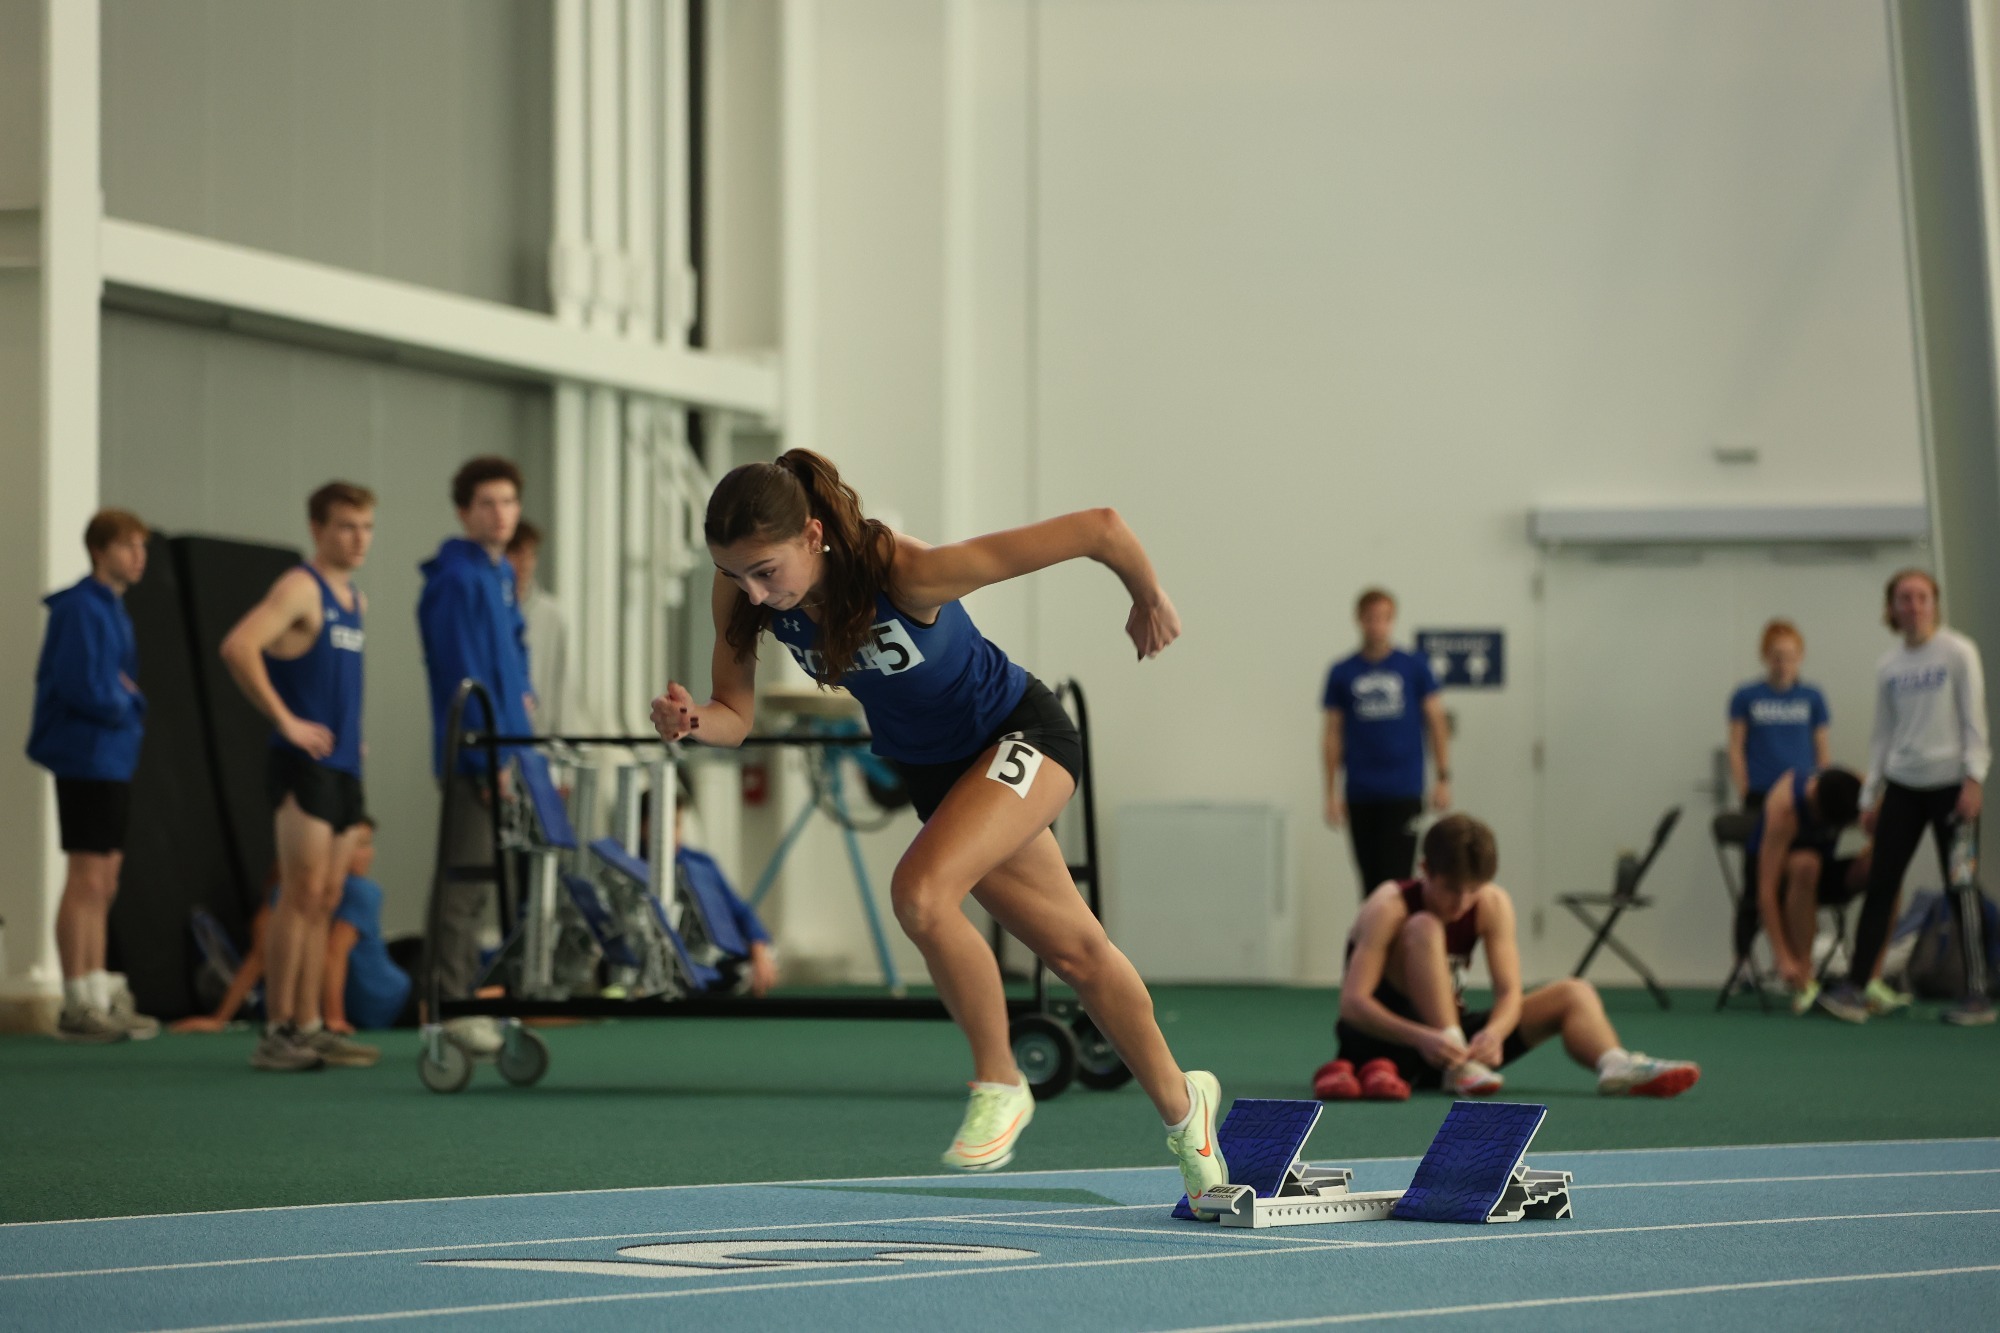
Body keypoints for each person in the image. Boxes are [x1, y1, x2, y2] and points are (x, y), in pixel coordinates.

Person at [650, 449, 1227, 1207]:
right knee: (1078, 953)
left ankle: (1000, 1081)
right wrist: (692, 723)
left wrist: (1146, 596)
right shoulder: (743, 592)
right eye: (733, 574)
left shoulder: (907, 573)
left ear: (814, 535)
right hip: (941, 776)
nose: (752, 591)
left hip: (1020, 735)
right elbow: (736, 714)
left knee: (920, 894)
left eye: (764, 571)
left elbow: (1101, 527)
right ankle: (1189, 1115)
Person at [1315, 813, 1700, 1101]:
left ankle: (1614, 1063)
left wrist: (1495, 1034)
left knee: (1574, 991)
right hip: (1387, 1045)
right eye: (1451, 889)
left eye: (1473, 890)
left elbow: (1509, 993)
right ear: (1425, 870)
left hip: (1453, 1048)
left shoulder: (1492, 903)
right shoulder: (1389, 905)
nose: (1461, 903)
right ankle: (1456, 1059)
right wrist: (1426, 1037)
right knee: (1425, 926)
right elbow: (1352, 1004)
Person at [220, 482, 379, 1071]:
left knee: (328, 898)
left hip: (344, 765)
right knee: (300, 894)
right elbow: (239, 646)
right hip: (303, 765)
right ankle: (278, 1029)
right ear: (318, 529)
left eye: (366, 527)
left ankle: (310, 1024)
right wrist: (286, 720)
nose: (359, 538)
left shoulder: (356, 601)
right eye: (346, 526)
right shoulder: (299, 587)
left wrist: (353, 735)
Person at [1819, 570, 1991, 1026]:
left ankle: (1978, 994)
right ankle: (1856, 988)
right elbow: (1882, 734)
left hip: (1953, 790)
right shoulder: (1889, 666)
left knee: (1961, 885)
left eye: (1921, 597)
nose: (1913, 606)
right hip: (1902, 788)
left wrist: (1974, 779)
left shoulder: (1959, 652)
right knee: (1881, 883)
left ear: (1934, 603)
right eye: (1904, 598)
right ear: (1892, 608)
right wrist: (1869, 796)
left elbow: (1974, 720)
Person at [417, 457, 536, 1055]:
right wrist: (483, 762)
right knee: (463, 883)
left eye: (509, 502)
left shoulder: (498, 574)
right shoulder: (455, 581)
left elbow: (514, 658)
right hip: (478, 757)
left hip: (509, 754)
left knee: (487, 886)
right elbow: (459, 681)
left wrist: (522, 728)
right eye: (487, 503)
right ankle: (449, 1006)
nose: (500, 514)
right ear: (464, 512)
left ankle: (471, 997)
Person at [27, 508, 158, 1042]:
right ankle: (76, 1000)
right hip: (86, 755)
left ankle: (98, 993)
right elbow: (86, 686)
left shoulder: (113, 609)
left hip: (112, 756)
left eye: (142, 547)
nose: (138, 557)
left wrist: (126, 699)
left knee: (106, 879)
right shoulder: (81, 608)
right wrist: (129, 701)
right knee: (85, 876)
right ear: (100, 551)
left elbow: (117, 683)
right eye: (128, 546)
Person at [172, 817, 412, 1035]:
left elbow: (330, 954)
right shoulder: (293, 893)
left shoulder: (361, 892)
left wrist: (334, 1019)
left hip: (385, 1001)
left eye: (368, 844)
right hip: (365, 1006)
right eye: (360, 844)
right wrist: (219, 1019)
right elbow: (264, 955)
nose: (369, 853)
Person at [1323, 588, 1452, 898]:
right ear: (1359, 620)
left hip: (1403, 789)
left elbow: (1436, 721)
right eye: (1370, 618)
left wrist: (1443, 778)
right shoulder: (1342, 672)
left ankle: (1398, 930)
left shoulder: (1413, 667)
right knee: (1370, 883)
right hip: (1361, 790)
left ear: (1392, 621)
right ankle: (1373, 930)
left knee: (1396, 881)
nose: (1377, 625)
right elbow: (1332, 733)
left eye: (1383, 618)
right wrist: (1331, 791)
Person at [1747, 766, 1869, 1014]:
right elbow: (1766, 892)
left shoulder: (1859, 789)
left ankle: (1870, 980)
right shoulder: (1785, 808)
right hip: (1782, 878)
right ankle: (1804, 970)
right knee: (1807, 864)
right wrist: (1783, 957)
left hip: (1822, 872)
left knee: (1883, 866)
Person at [1727, 620, 1832, 809]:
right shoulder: (1746, 696)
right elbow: (1736, 746)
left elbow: (1822, 747)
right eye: (1777, 657)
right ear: (1765, 655)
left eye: (1790, 657)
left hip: (1802, 790)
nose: (1784, 665)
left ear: (1800, 656)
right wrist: (1744, 790)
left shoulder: (1812, 696)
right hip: (1760, 791)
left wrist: (1821, 788)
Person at [506, 520, 573, 737]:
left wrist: (562, 740)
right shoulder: (487, 612)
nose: (525, 563)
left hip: (541, 739)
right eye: (517, 553)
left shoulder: (551, 616)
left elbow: (562, 684)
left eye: (531, 555)